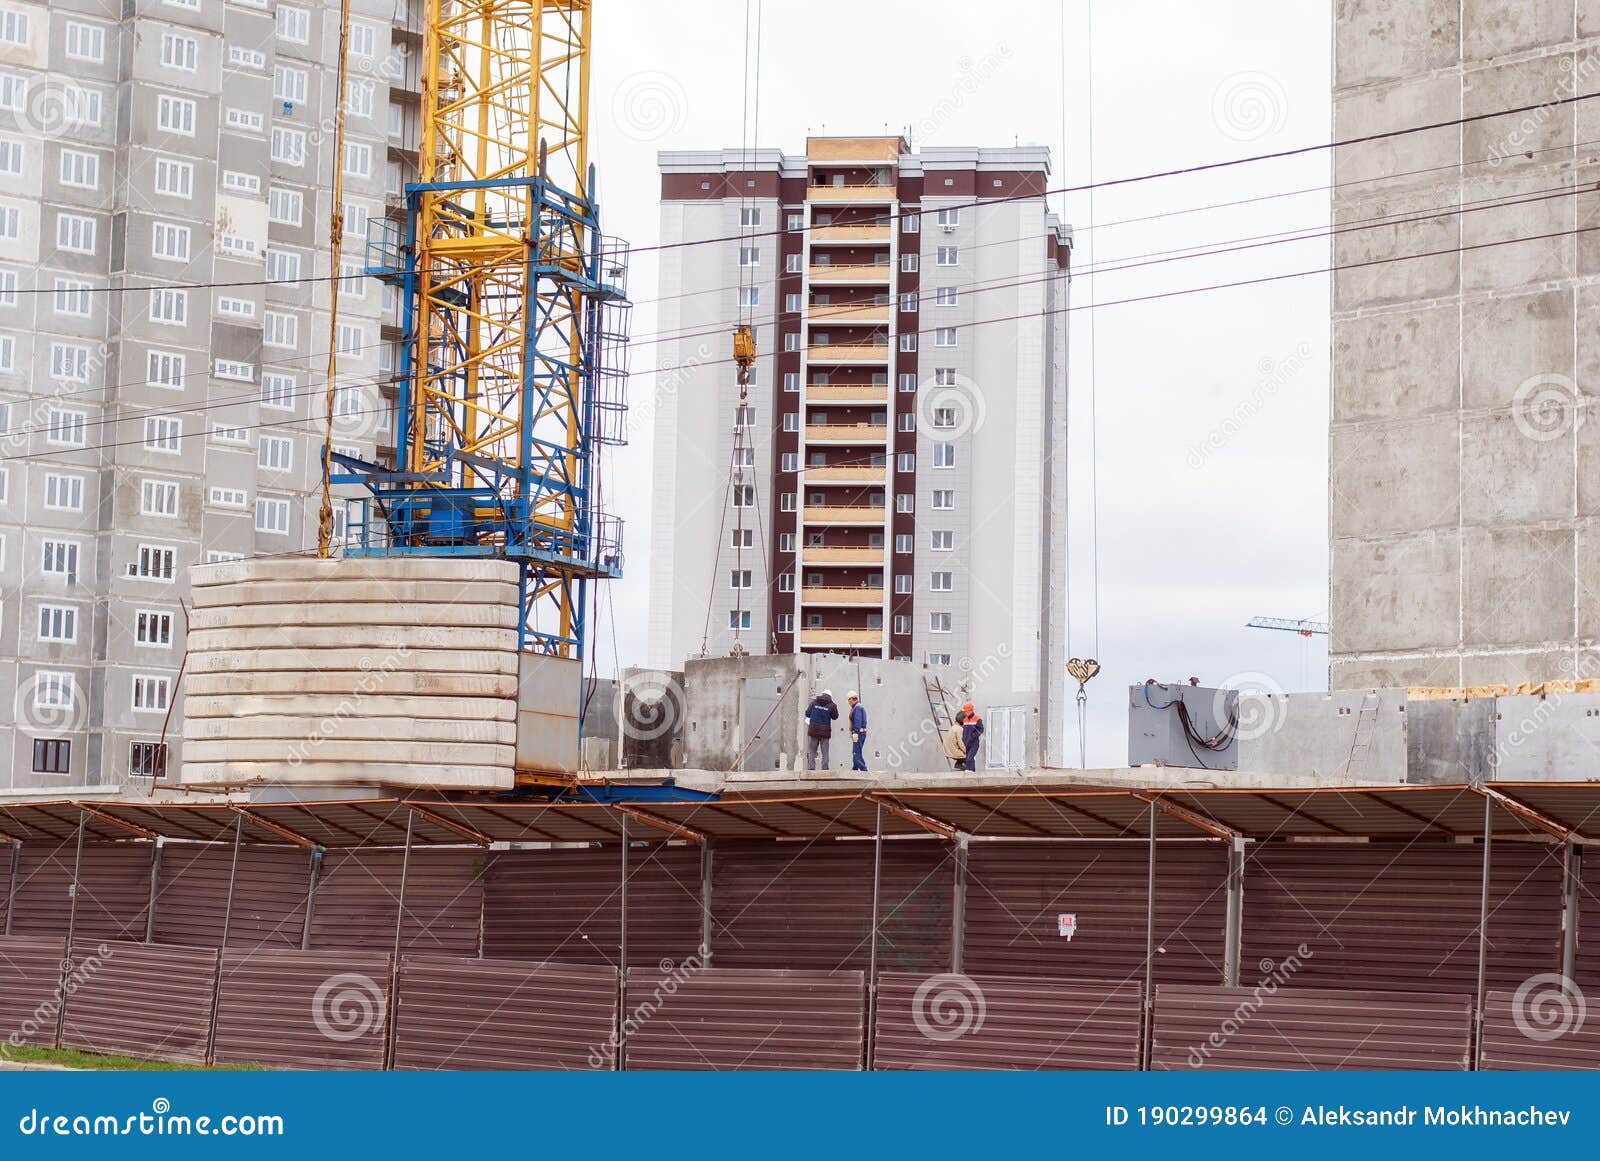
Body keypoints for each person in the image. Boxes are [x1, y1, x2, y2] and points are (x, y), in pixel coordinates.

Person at [803, 688, 839, 771]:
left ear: (822, 694)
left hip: (813, 730)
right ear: (830, 696)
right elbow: (835, 717)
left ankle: (811, 769)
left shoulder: (814, 703)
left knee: (812, 751)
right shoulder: (832, 705)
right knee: (825, 752)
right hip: (825, 732)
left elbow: (807, 713)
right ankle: (825, 769)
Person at [960, 701, 984, 773]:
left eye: (966, 711)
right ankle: (972, 771)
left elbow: (980, 729)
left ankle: (969, 770)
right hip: (967, 742)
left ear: (970, 711)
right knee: (969, 757)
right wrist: (963, 739)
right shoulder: (965, 719)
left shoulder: (977, 719)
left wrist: (973, 736)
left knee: (970, 757)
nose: (965, 713)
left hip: (974, 743)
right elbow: (964, 731)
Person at [847, 691, 868, 772]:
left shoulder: (857, 707)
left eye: (849, 700)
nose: (848, 702)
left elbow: (857, 720)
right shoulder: (856, 707)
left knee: (856, 752)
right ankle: (855, 769)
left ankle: (864, 771)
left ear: (852, 699)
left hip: (859, 733)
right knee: (855, 752)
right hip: (859, 732)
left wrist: (855, 732)